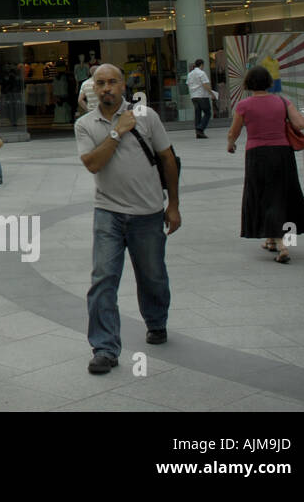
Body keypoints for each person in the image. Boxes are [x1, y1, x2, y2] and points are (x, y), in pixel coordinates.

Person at [75, 64, 180, 375]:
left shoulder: (147, 116)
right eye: (100, 83)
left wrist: (173, 205)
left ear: (123, 85)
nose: (106, 88)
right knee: (103, 280)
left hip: (147, 213)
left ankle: (156, 321)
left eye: (112, 82)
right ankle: (104, 348)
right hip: (107, 212)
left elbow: (167, 158)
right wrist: (116, 131)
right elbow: (92, 164)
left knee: (153, 276)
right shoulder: (85, 124)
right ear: (93, 88)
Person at [227, 65, 304, 263]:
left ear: (248, 83)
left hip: (257, 155)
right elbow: (300, 124)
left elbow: (234, 132)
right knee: (283, 195)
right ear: (269, 82)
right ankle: (273, 240)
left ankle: (281, 244)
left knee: (264, 196)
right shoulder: (282, 101)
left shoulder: (244, 105)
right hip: (283, 154)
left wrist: (230, 145)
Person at [186, 59, 215, 139]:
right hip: (202, 96)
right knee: (208, 113)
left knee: (197, 114)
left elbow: (188, 84)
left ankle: (198, 132)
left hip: (193, 96)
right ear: (202, 65)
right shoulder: (201, 73)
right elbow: (205, 85)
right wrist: (212, 94)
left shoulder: (190, 74)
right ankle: (200, 128)